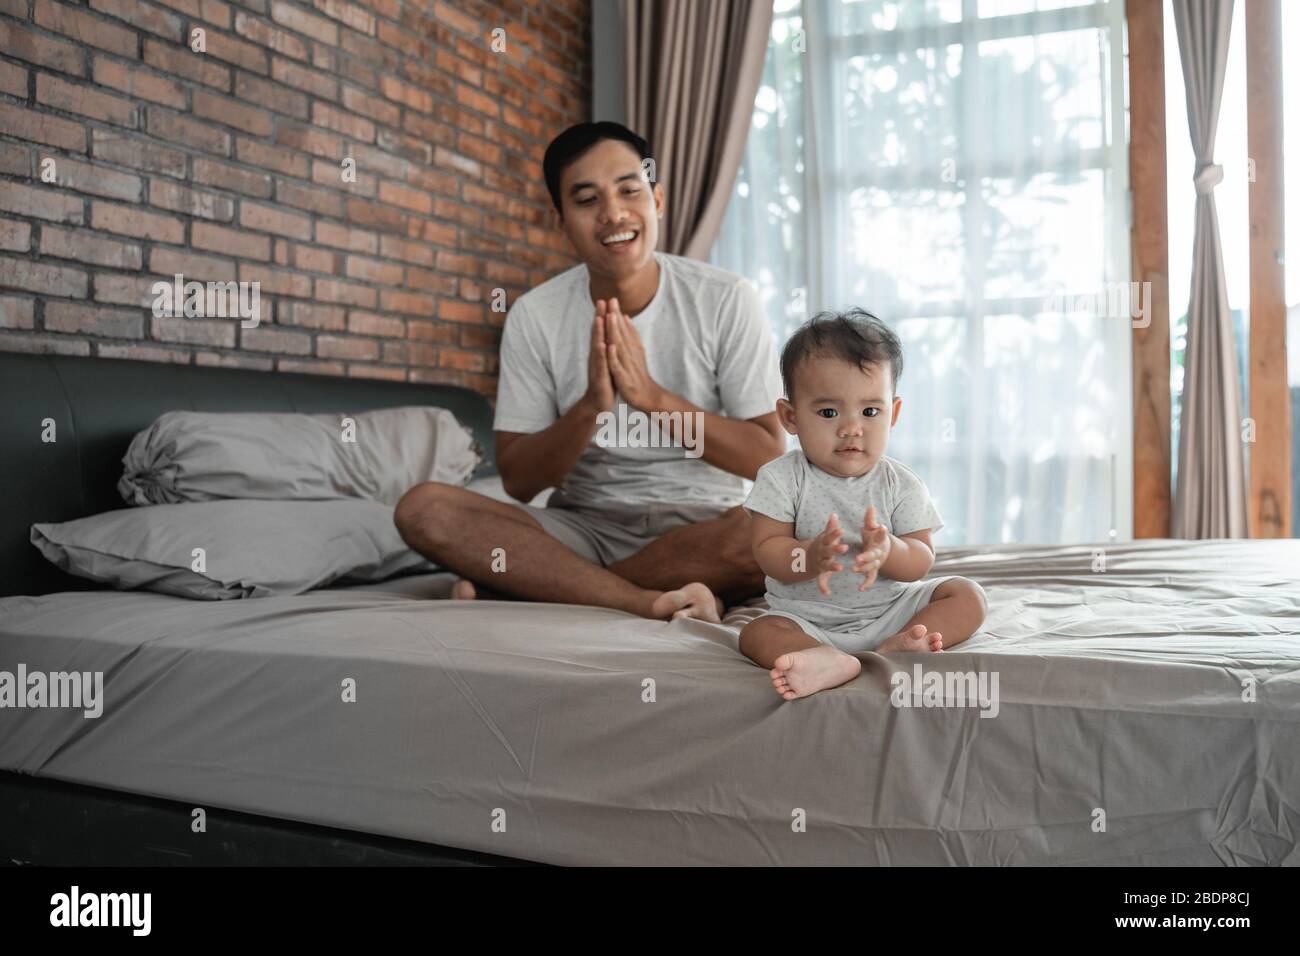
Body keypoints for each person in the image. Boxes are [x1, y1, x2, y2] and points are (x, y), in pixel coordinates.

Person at [395, 121, 785, 622]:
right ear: (561, 220)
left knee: (769, 535)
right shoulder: (536, 315)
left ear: (657, 200)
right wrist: (591, 408)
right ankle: (643, 598)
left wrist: (650, 397)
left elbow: (769, 455)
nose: (613, 214)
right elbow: (517, 480)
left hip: (704, 523)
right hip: (585, 530)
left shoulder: (725, 298)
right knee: (423, 508)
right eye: (587, 200)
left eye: (629, 190)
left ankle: (545, 586)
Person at [739, 309, 988, 699]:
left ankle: (903, 642)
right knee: (757, 634)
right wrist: (808, 556)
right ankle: (823, 658)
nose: (851, 427)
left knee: (967, 595)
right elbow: (767, 552)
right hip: (809, 621)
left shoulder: (899, 482)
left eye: (870, 411)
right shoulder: (780, 478)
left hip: (891, 613)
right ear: (790, 417)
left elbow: (921, 559)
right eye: (828, 412)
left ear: (894, 414)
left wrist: (890, 550)